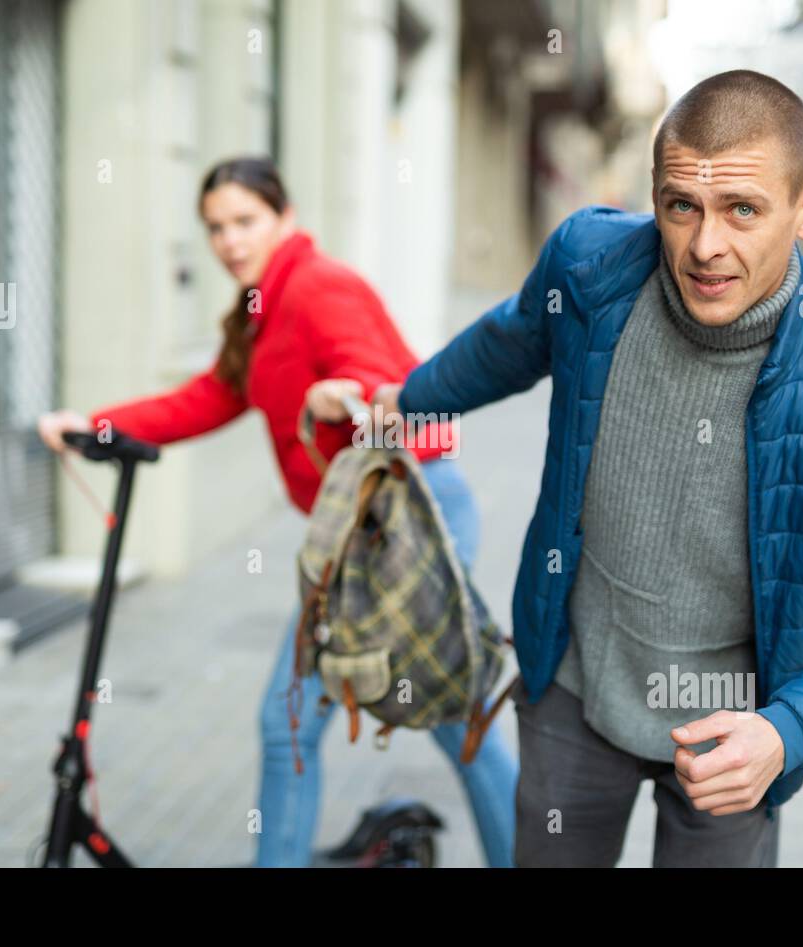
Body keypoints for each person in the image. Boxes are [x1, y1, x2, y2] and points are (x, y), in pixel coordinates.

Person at [354, 70, 803, 867]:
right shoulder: (590, 265)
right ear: (656, 195)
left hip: (737, 732)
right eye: (683, 205)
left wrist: (789, 734)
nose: (706, 246)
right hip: (571, 689)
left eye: (742, 209)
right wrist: (401, 402)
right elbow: (508, 343)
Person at [36, 156, 517, 868]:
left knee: (297, 720)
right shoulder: (260, 311)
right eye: (215, 229)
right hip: (367, 531)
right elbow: (204, 399)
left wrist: (347, 392)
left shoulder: (320, 286)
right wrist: (97, 426)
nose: (229, 241)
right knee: (449, 715)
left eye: (244, 222)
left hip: (407, 520)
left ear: (284, 218)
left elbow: (397, 387)